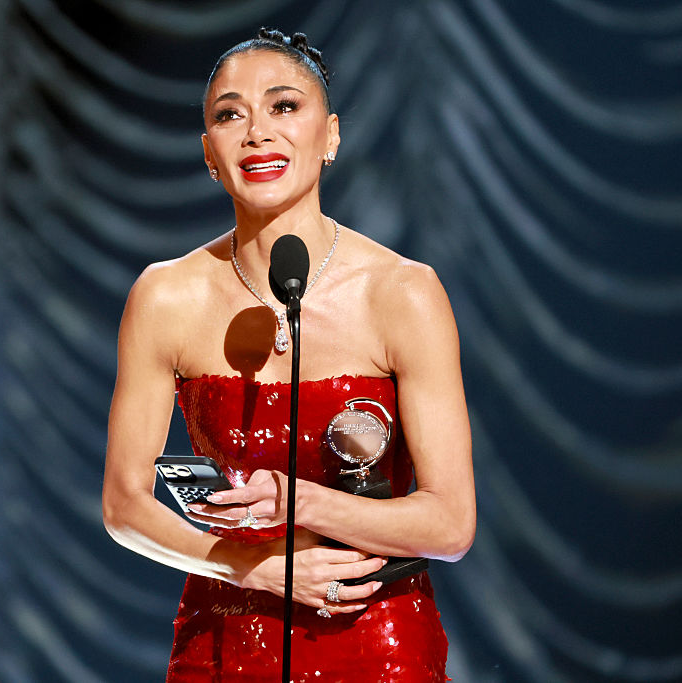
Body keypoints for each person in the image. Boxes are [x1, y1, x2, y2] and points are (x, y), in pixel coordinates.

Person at [103, 27, 475, 682]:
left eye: (283, 106)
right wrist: (253, 569)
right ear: (210, 155)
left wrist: (297, 502)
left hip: (377, 639)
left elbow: (449, 522)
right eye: (229, 115)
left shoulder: (403, 293)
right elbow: (124, 504)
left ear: (330, 136)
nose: (256, 133)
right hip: (223, 638)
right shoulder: (165, 296)